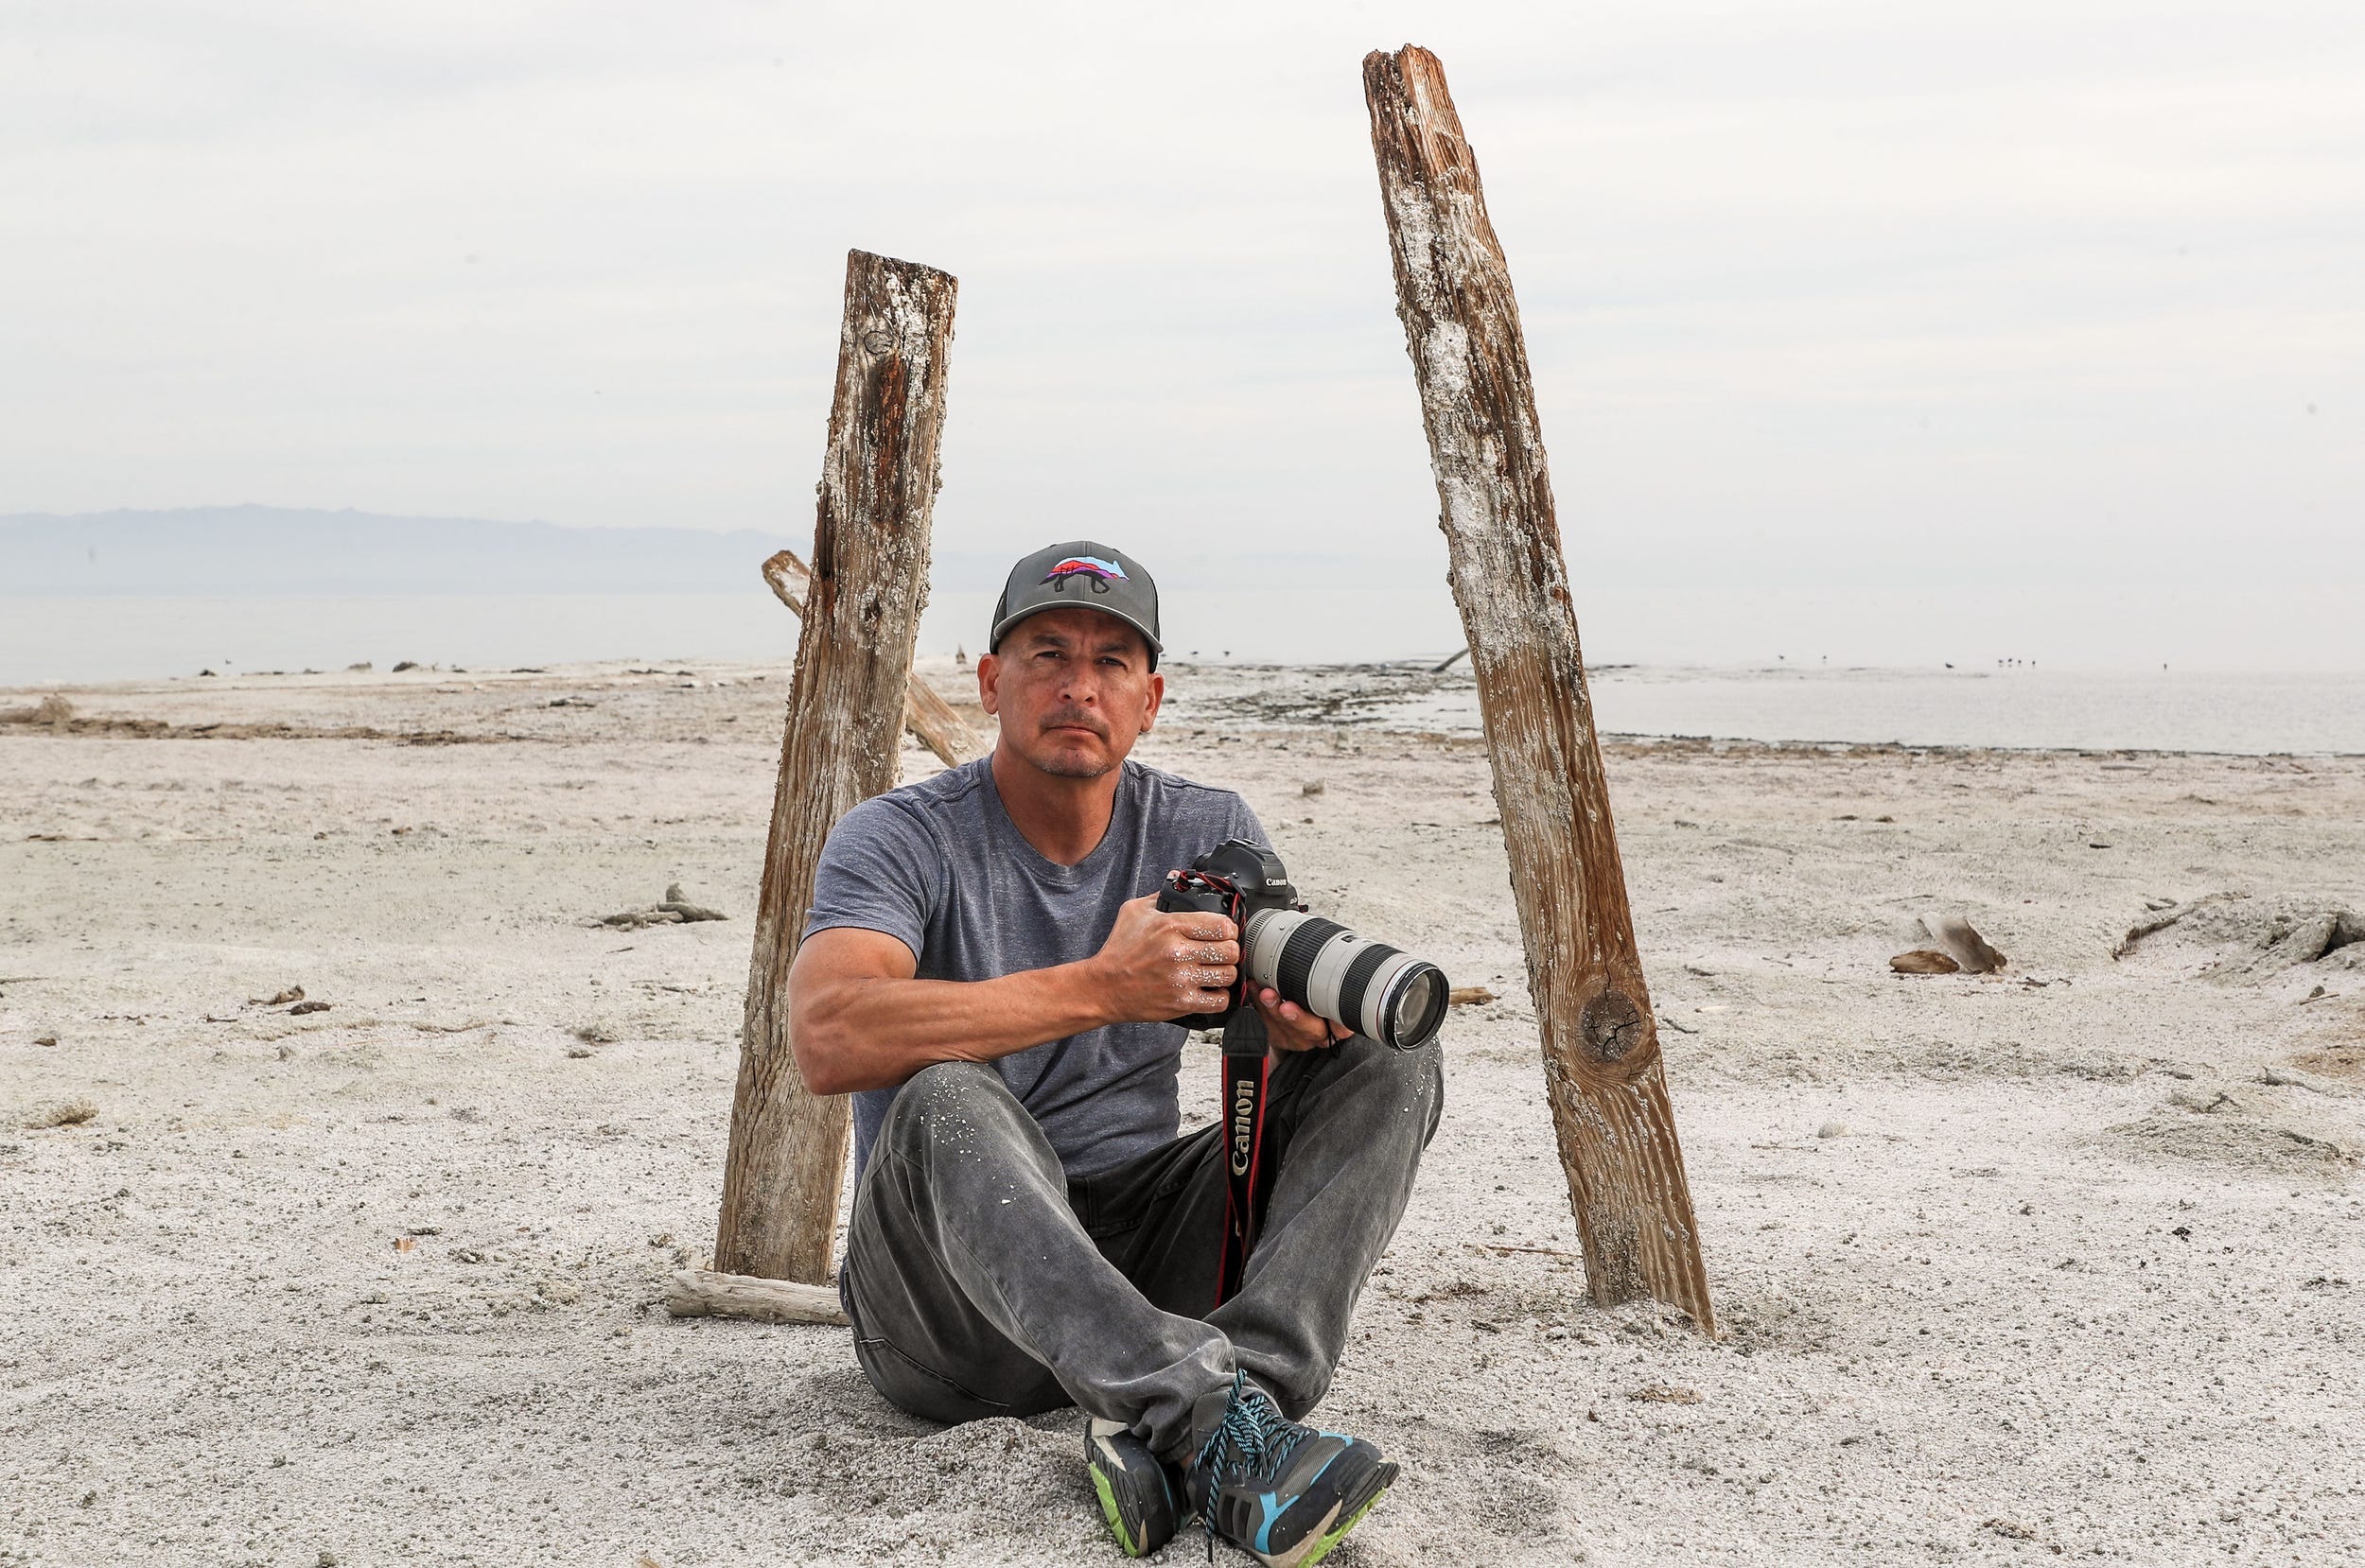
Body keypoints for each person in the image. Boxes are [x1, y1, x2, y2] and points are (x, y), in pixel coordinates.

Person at [789, 541, 1444, 1565]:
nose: (1077, 684)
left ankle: (1234, 1409)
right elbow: (829, 1035)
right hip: (948, 1314)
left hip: (1136, 1273)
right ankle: (1203, 1415)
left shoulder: (1207, 827)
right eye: (1047, 653)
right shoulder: (898, 835)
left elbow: (1267, 1035)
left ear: (1151, 697)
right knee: (946, 1093)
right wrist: (1101, 986)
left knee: (1388, 1059)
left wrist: (1285, 1030)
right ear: (992, 681)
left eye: (1110, 661)